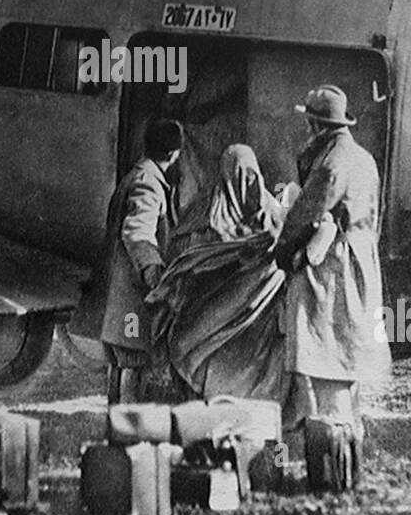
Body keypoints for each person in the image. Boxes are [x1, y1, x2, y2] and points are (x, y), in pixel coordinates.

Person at [272, 84, 390, 482]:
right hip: (362, 261)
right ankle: (345, 459)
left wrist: (284, 254)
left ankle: (330, 460)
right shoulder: (365, 160)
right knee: (347, 356)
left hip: (334, 267)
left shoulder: (331, 163)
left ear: (317, 124)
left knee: (324, 352)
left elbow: (304, 215)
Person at [146, 143, 287, 401]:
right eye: (241, 175)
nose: (248, 184)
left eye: (252, 175)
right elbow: (185, 262)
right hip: (209, 316)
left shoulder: (272, 214)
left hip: (252, 330)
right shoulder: (203, 220)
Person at [78, 118, 183, 404]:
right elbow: (137, 231)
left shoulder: (137, 174)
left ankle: (117, 430)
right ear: (175, 154)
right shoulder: (149, 182)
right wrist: (153, 272)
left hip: (117, 294)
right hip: (130, 295)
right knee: (134, 365)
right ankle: (129, 433)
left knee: (122, 363)